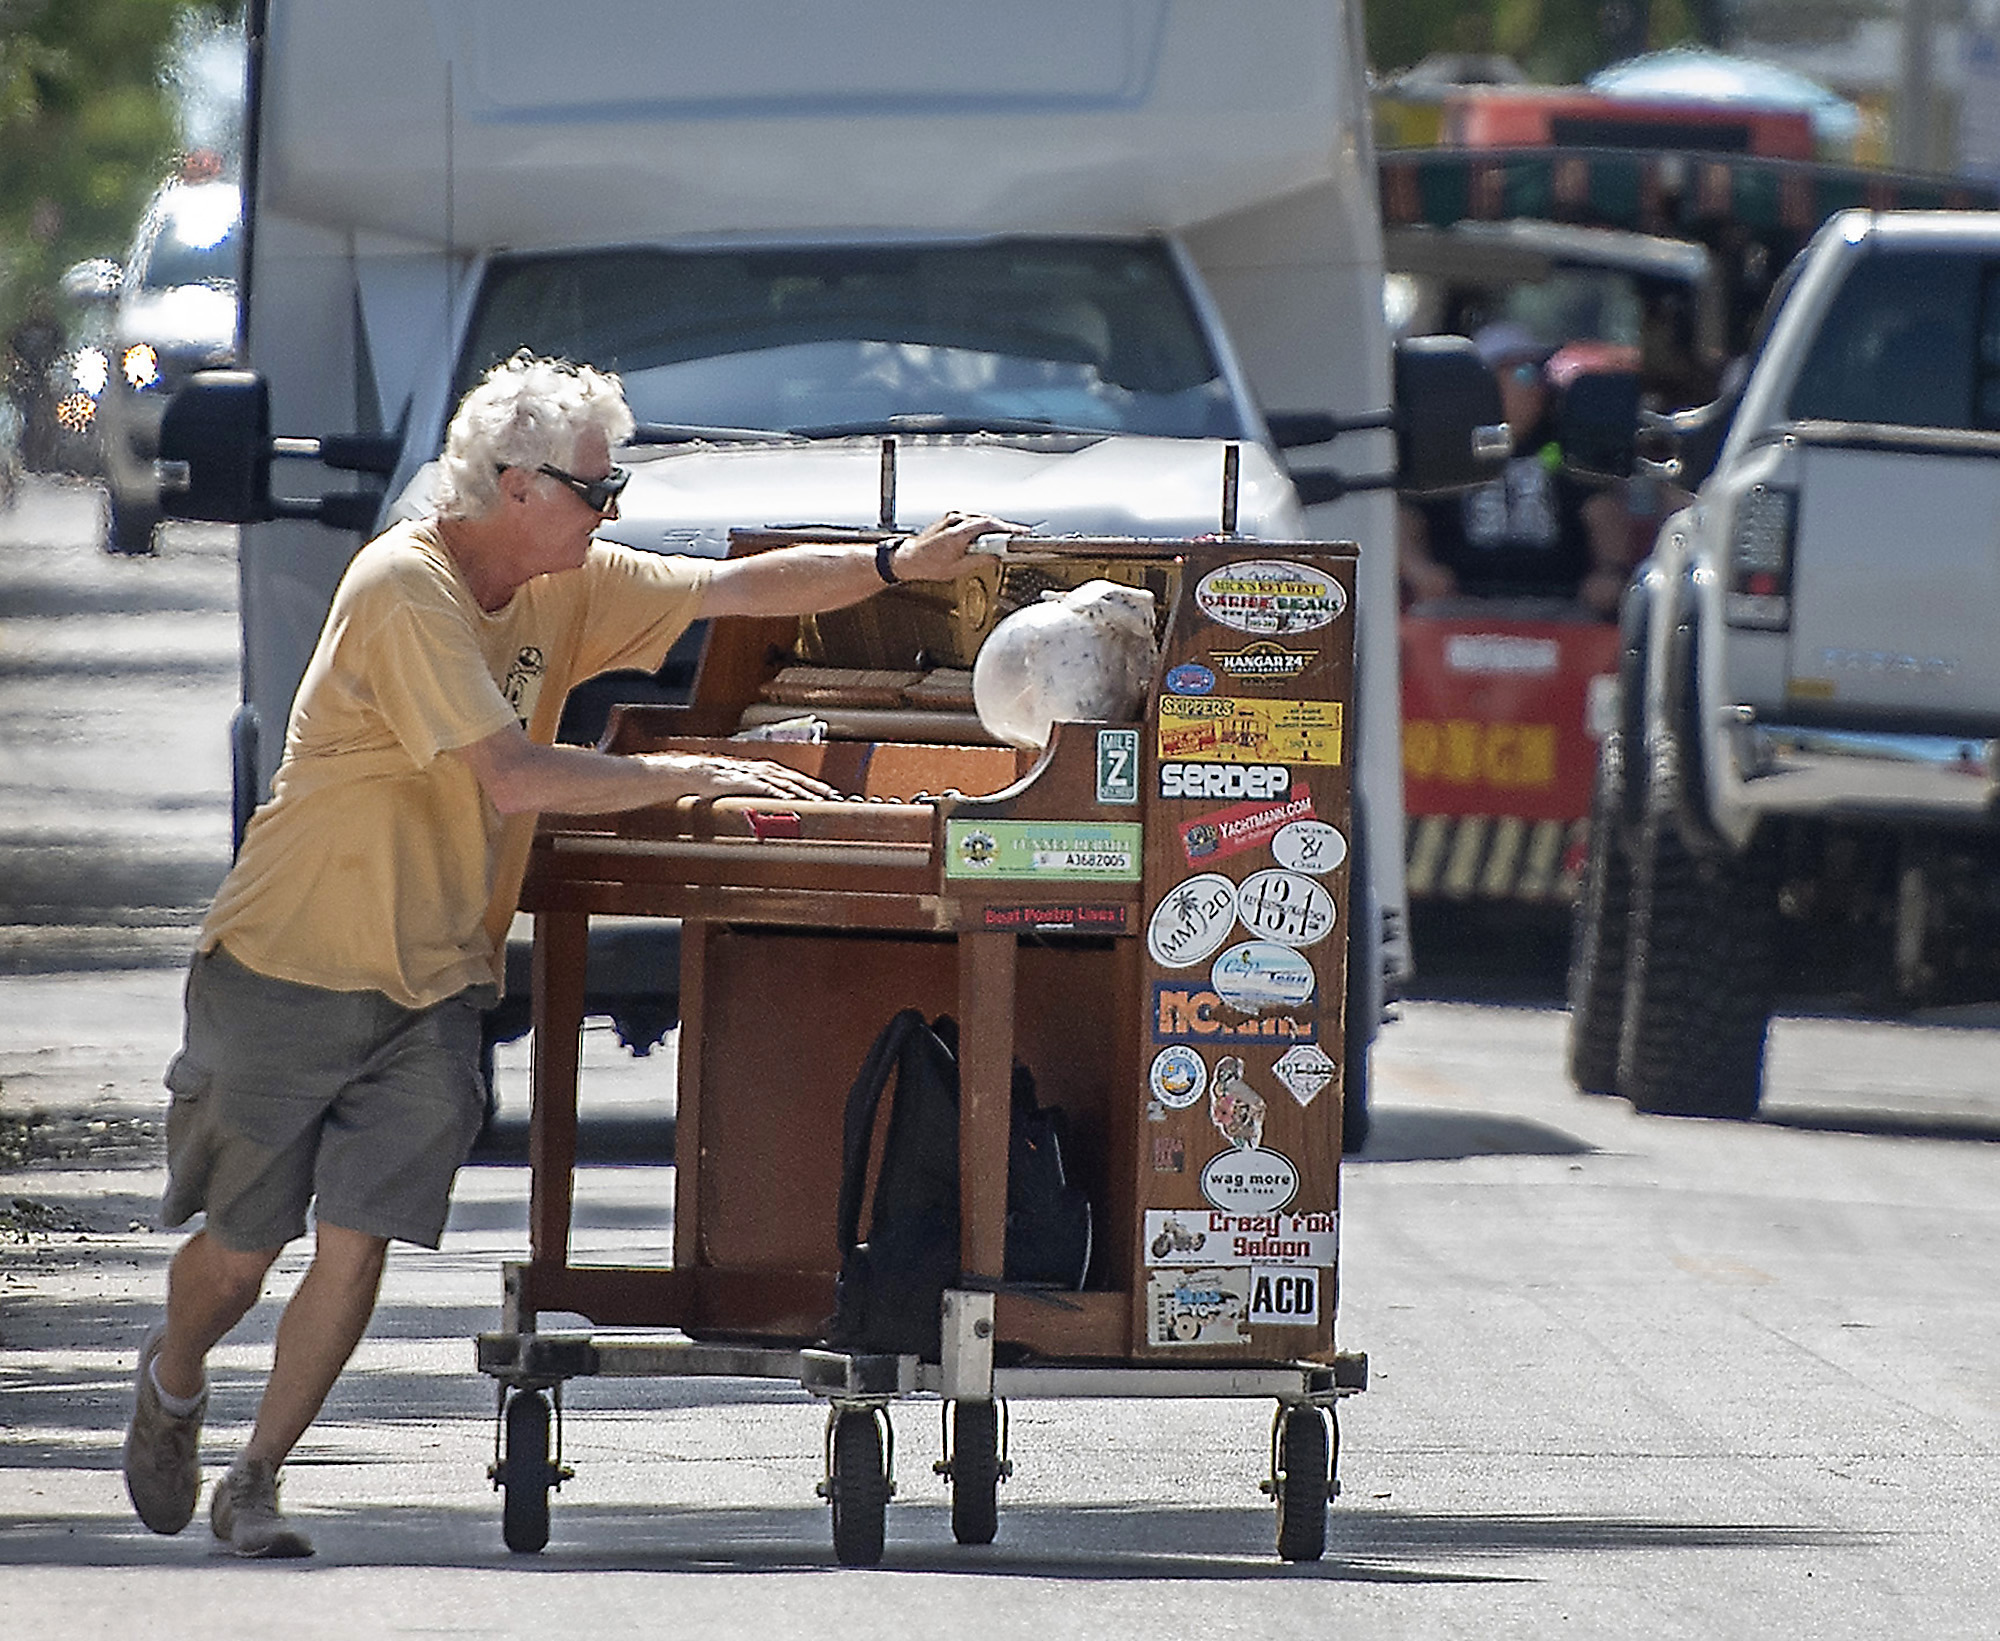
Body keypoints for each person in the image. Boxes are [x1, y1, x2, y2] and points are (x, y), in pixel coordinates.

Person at [121, 349, 1021, 1557]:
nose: (612, 513)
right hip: (287, 967)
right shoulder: (405, 586)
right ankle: (174, 1384)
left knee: (357, 1242)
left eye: (615, 490)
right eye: (595, 492)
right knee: (239, 1258)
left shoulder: (563, 576)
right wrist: (682, 774)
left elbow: (731, 591)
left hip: (433, 981)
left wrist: (890, 564)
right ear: (510, 485)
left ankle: (257, 1482)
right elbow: (509, 776)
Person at [1398, 320, 1627, 614]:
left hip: (1560, 611)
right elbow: (1407, 517)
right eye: (1522, 374)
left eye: (1538, 375)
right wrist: (1420, 570)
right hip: (1456, 609)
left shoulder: (1563, 446)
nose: (1535, 387)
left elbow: (1602, 511)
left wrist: (1610, 573)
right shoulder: (1445, 446)